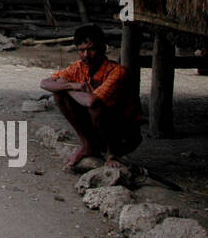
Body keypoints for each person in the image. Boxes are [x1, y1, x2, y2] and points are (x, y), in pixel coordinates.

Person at [41, 24, 144, 169]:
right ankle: (87, 145)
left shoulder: (117, 72)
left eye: (91, 49)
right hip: (100, 129)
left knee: (95, 106)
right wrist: (71, 86)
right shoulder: (78, 67)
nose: (86, 55)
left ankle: (112, 153)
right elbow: (44, 83)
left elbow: (92, 101)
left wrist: (66, 88)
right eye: (81, 50)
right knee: (59, 95)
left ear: (103, 48)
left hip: (124, 134)